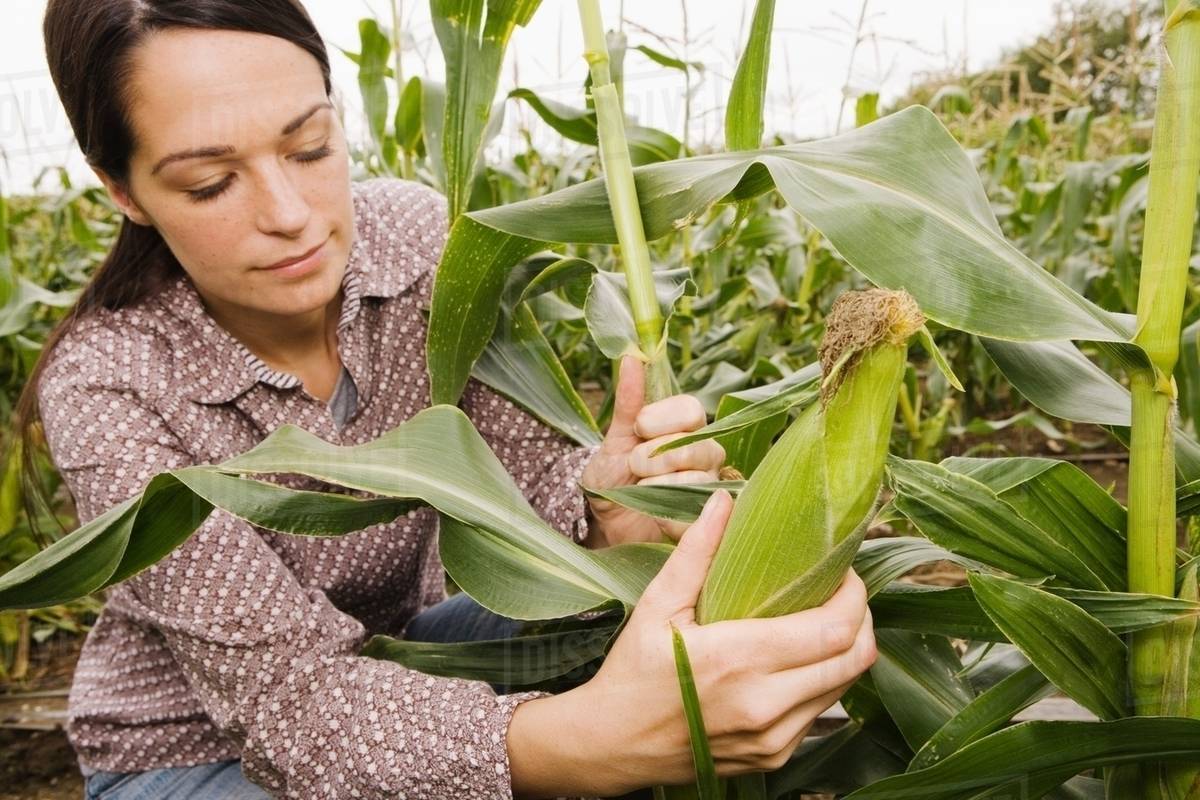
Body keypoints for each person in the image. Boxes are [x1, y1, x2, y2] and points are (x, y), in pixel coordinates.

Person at [15, 1, 877, 798]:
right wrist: (590, 741)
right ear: (123, 191)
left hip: (409, 650)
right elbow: (289, 708)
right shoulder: (108, 385)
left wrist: (606, 507)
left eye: (311, 147)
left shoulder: (416, 242)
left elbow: (524, 484)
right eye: (211, 183)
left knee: (658, 611)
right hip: (201, 746)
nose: (290, 214)